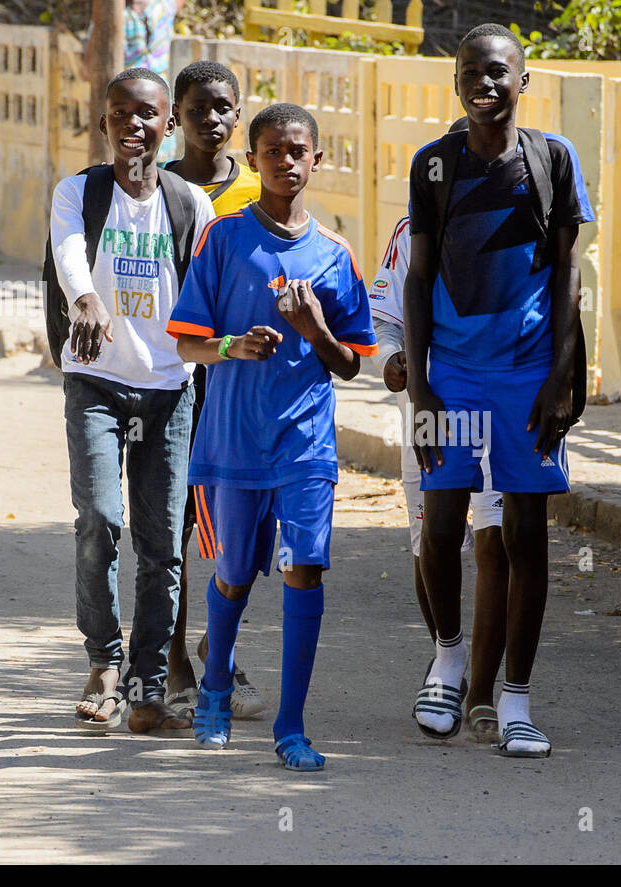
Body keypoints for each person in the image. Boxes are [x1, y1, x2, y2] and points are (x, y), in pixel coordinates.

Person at [169, 103, 377, 771]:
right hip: (231, 441)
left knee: (303, 567)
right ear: (252, 158)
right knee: (232, 574)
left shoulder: (335, 253)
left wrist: (316, 330)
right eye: (272, 151)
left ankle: (291, 725)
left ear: (317, 159)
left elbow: (351, 362)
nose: (286, 161)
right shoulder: (224, 239)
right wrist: (232, 344)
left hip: (306, 444)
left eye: (298, 150)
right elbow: (187, 344)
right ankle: (217, 685)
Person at [404, 24, 593, 757]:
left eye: (497, 72)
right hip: (448, 371)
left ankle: (515, 698)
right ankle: (449, 657)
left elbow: (569, 273)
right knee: (442, 525)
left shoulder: (552, 159)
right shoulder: (434, 165)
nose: (483, 84)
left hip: (525, 373)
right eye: (469, 74)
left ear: (523, 80)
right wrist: (420, 385)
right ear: (456, 84)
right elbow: (418, 279)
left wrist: (559, 378)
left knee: (525, 534)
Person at [50, 67, 215, 734]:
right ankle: (104, 661)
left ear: (167, 124)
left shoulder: (189, 203)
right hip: (95, 380)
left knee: (164, 546)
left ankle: (147, 686)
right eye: (121, 113)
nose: (134, 125)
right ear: (105, 122)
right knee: (98, 516)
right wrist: (84, 295)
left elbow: (206, 295)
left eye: (147, 114)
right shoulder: (79, 192)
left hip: (169, 388)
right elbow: (67, 250)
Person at [370, 172, 510, 745]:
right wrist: (394, 360)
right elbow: (383, 319)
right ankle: (446, 660)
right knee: (434, 542)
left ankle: (483, 689)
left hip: (505, 407)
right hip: (432, 412)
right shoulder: (412, 232)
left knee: (496, 538)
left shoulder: (524, 227)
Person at [161, 59, 266, 722]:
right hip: (172, 377)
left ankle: (216, 641)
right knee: (168, 523)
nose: (213, 120)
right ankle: (173, 659)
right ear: (175, 115)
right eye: (198, 108)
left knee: (246, 527)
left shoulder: (258, 189)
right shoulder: (155, 186)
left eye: (224, 107)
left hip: (240, 381)